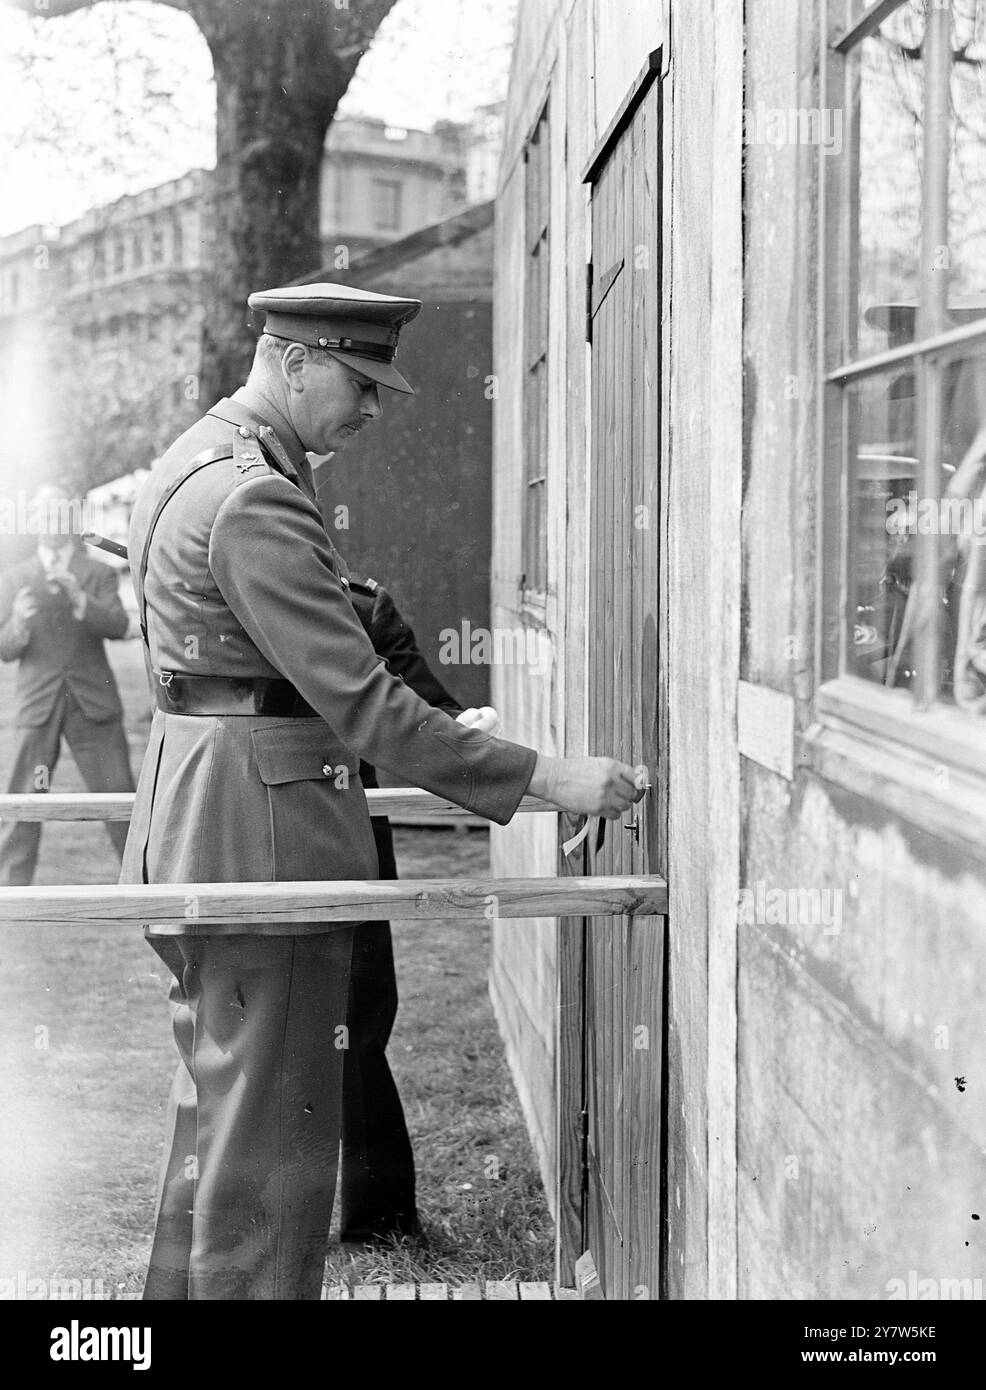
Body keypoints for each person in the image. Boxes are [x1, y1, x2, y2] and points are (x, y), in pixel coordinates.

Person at [122, 282, 644, 1300]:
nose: (371, 408)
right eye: (359, 384)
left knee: (220, 1118)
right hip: (261, 840)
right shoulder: (254, 495)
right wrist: (551, 778)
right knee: (273, 1143)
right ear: (293, 363)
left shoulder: (193, 459)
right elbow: (365, 705)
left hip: (200, 817)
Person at [340, 575, 489, 1245]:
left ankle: (378, 1220)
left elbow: (432, 706)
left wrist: (465, 731)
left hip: (346, 825)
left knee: (359, 1017)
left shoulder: (361, 604)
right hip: (250, 823)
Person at [0, 484, 134, 885]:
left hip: (94, 703)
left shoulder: (98, 572)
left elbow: (120, 625)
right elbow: (4, 649)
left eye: (60, 514)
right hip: (38, 705)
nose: (52, 522)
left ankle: (146, 892)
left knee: (121, 802)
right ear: (33, 521)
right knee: (24, 802)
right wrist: (18, 623)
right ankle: (11, 900)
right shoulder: (14, 578)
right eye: (44, 514)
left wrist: (81, 601)